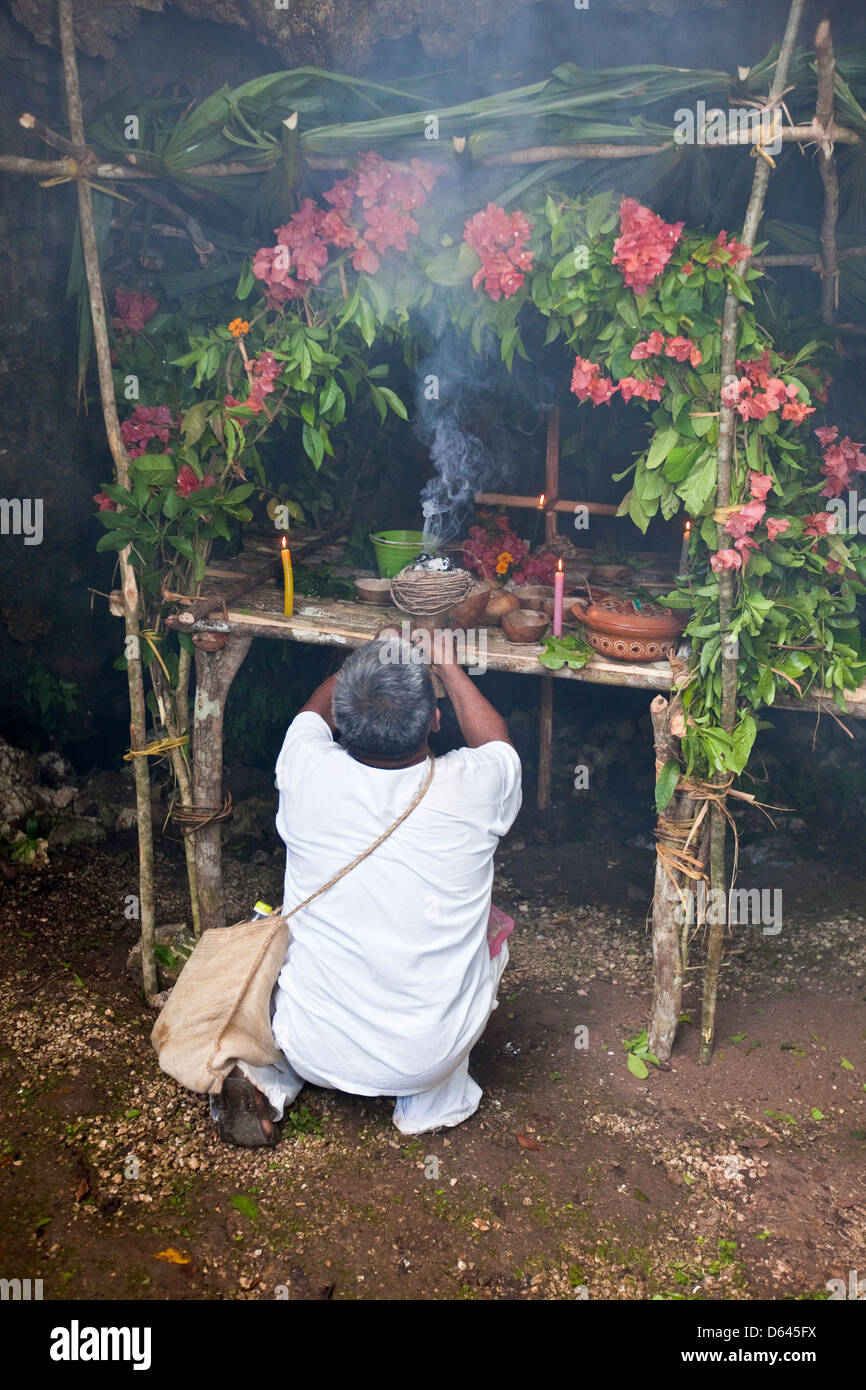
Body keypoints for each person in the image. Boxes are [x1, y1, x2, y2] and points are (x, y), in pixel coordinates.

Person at [214, 629, 522, 1145]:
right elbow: (498, 743)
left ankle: (269, 1075)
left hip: (312, 1043)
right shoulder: (477, 785)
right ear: (435, 721)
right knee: (495, 929)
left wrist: (365, 656)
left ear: (342, 718)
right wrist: (446, 664)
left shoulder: (305, 767)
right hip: (428, 1056)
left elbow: (310, 717)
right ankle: (428, 1100)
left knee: (270, 924)